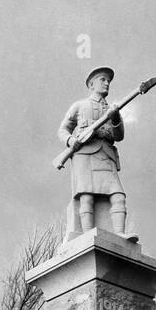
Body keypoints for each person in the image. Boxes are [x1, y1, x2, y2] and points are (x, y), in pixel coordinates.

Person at [57, 66, 137, 241]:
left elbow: (119, 136)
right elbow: (63, 129)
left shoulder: (112, 109)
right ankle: (86, 236)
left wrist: (115, 118)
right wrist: (70, 140)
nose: (107, 83)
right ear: (92, 84)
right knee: (86, 197)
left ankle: (120, 234)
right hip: (84, 155)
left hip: (106, 155)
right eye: (103, 80)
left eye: (108, 81)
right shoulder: (79, 106)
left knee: (118, 195)